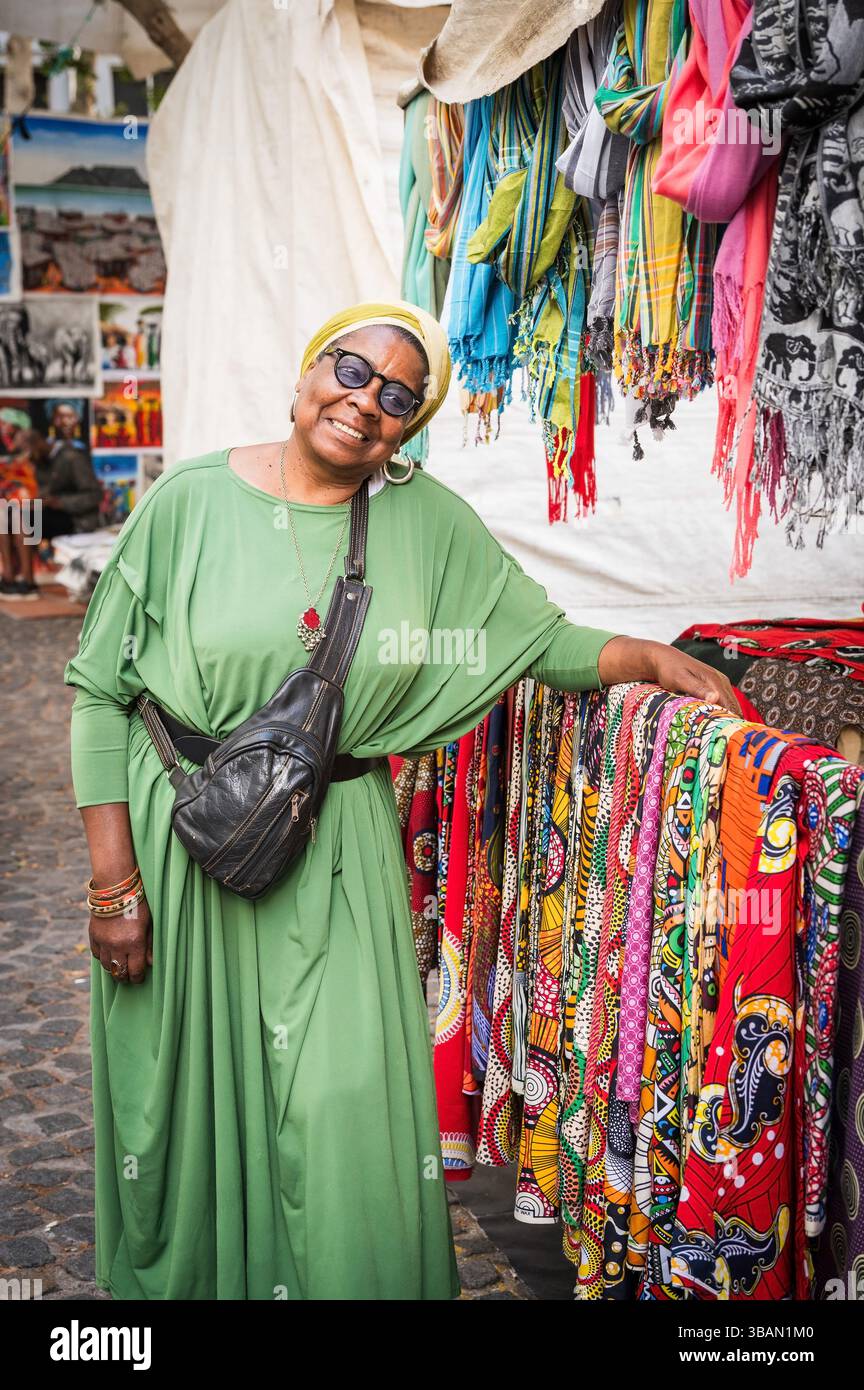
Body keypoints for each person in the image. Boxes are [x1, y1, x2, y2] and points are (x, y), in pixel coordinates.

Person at [63, 299, 740, 1301]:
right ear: (306, 373)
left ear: (408, 425)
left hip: (337, 849)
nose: (363, 401)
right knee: (191, 1099)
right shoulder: (188, 501)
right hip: (183, 838)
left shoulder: (424, 519)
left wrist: (642, 655)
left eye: (395, 396)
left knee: (346, 1104)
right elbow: (99, 693)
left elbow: (531, 636)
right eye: (349, 369)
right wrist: (114, 887)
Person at [38, 402, 103, 539]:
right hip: (56, 519)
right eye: (59, 417)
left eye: (69, 416)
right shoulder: (48, 459)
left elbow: (95, 495)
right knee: (17, 517)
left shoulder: (72, 457)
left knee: (28, 521)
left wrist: (59, 502)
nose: (64, 422)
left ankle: (31, 558)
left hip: (76, 523)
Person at [0, 425, 40, 599]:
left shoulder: (47, 460)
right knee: (4, 514)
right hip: (29, 506)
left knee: (19, 517)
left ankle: (28, 579)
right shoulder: (19, 462)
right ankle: (9, 577)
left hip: (48, 509)